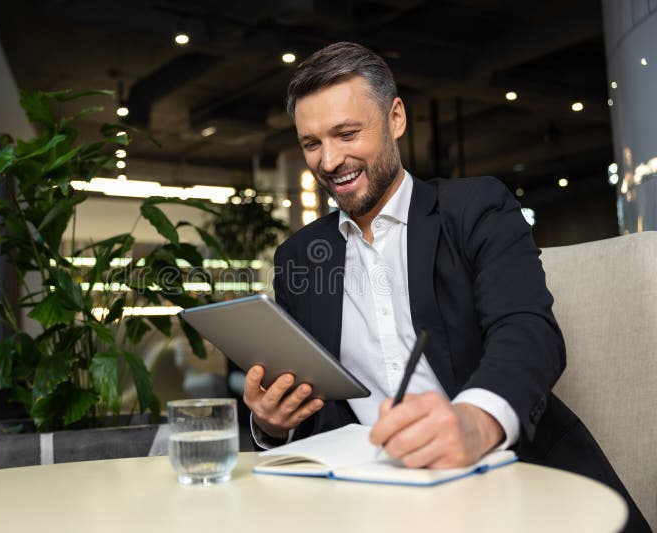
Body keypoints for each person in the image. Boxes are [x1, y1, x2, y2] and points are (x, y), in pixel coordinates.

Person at [242, 42, 649, 531]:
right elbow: (317, 407)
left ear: (395, 118)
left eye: (347, 133)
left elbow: (528, 330)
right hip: (370, 502)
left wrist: (475, 422)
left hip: (515, 477)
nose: (330, 160)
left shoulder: (477, 208)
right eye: (311, 143)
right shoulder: (299, 258)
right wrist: (272, 424)